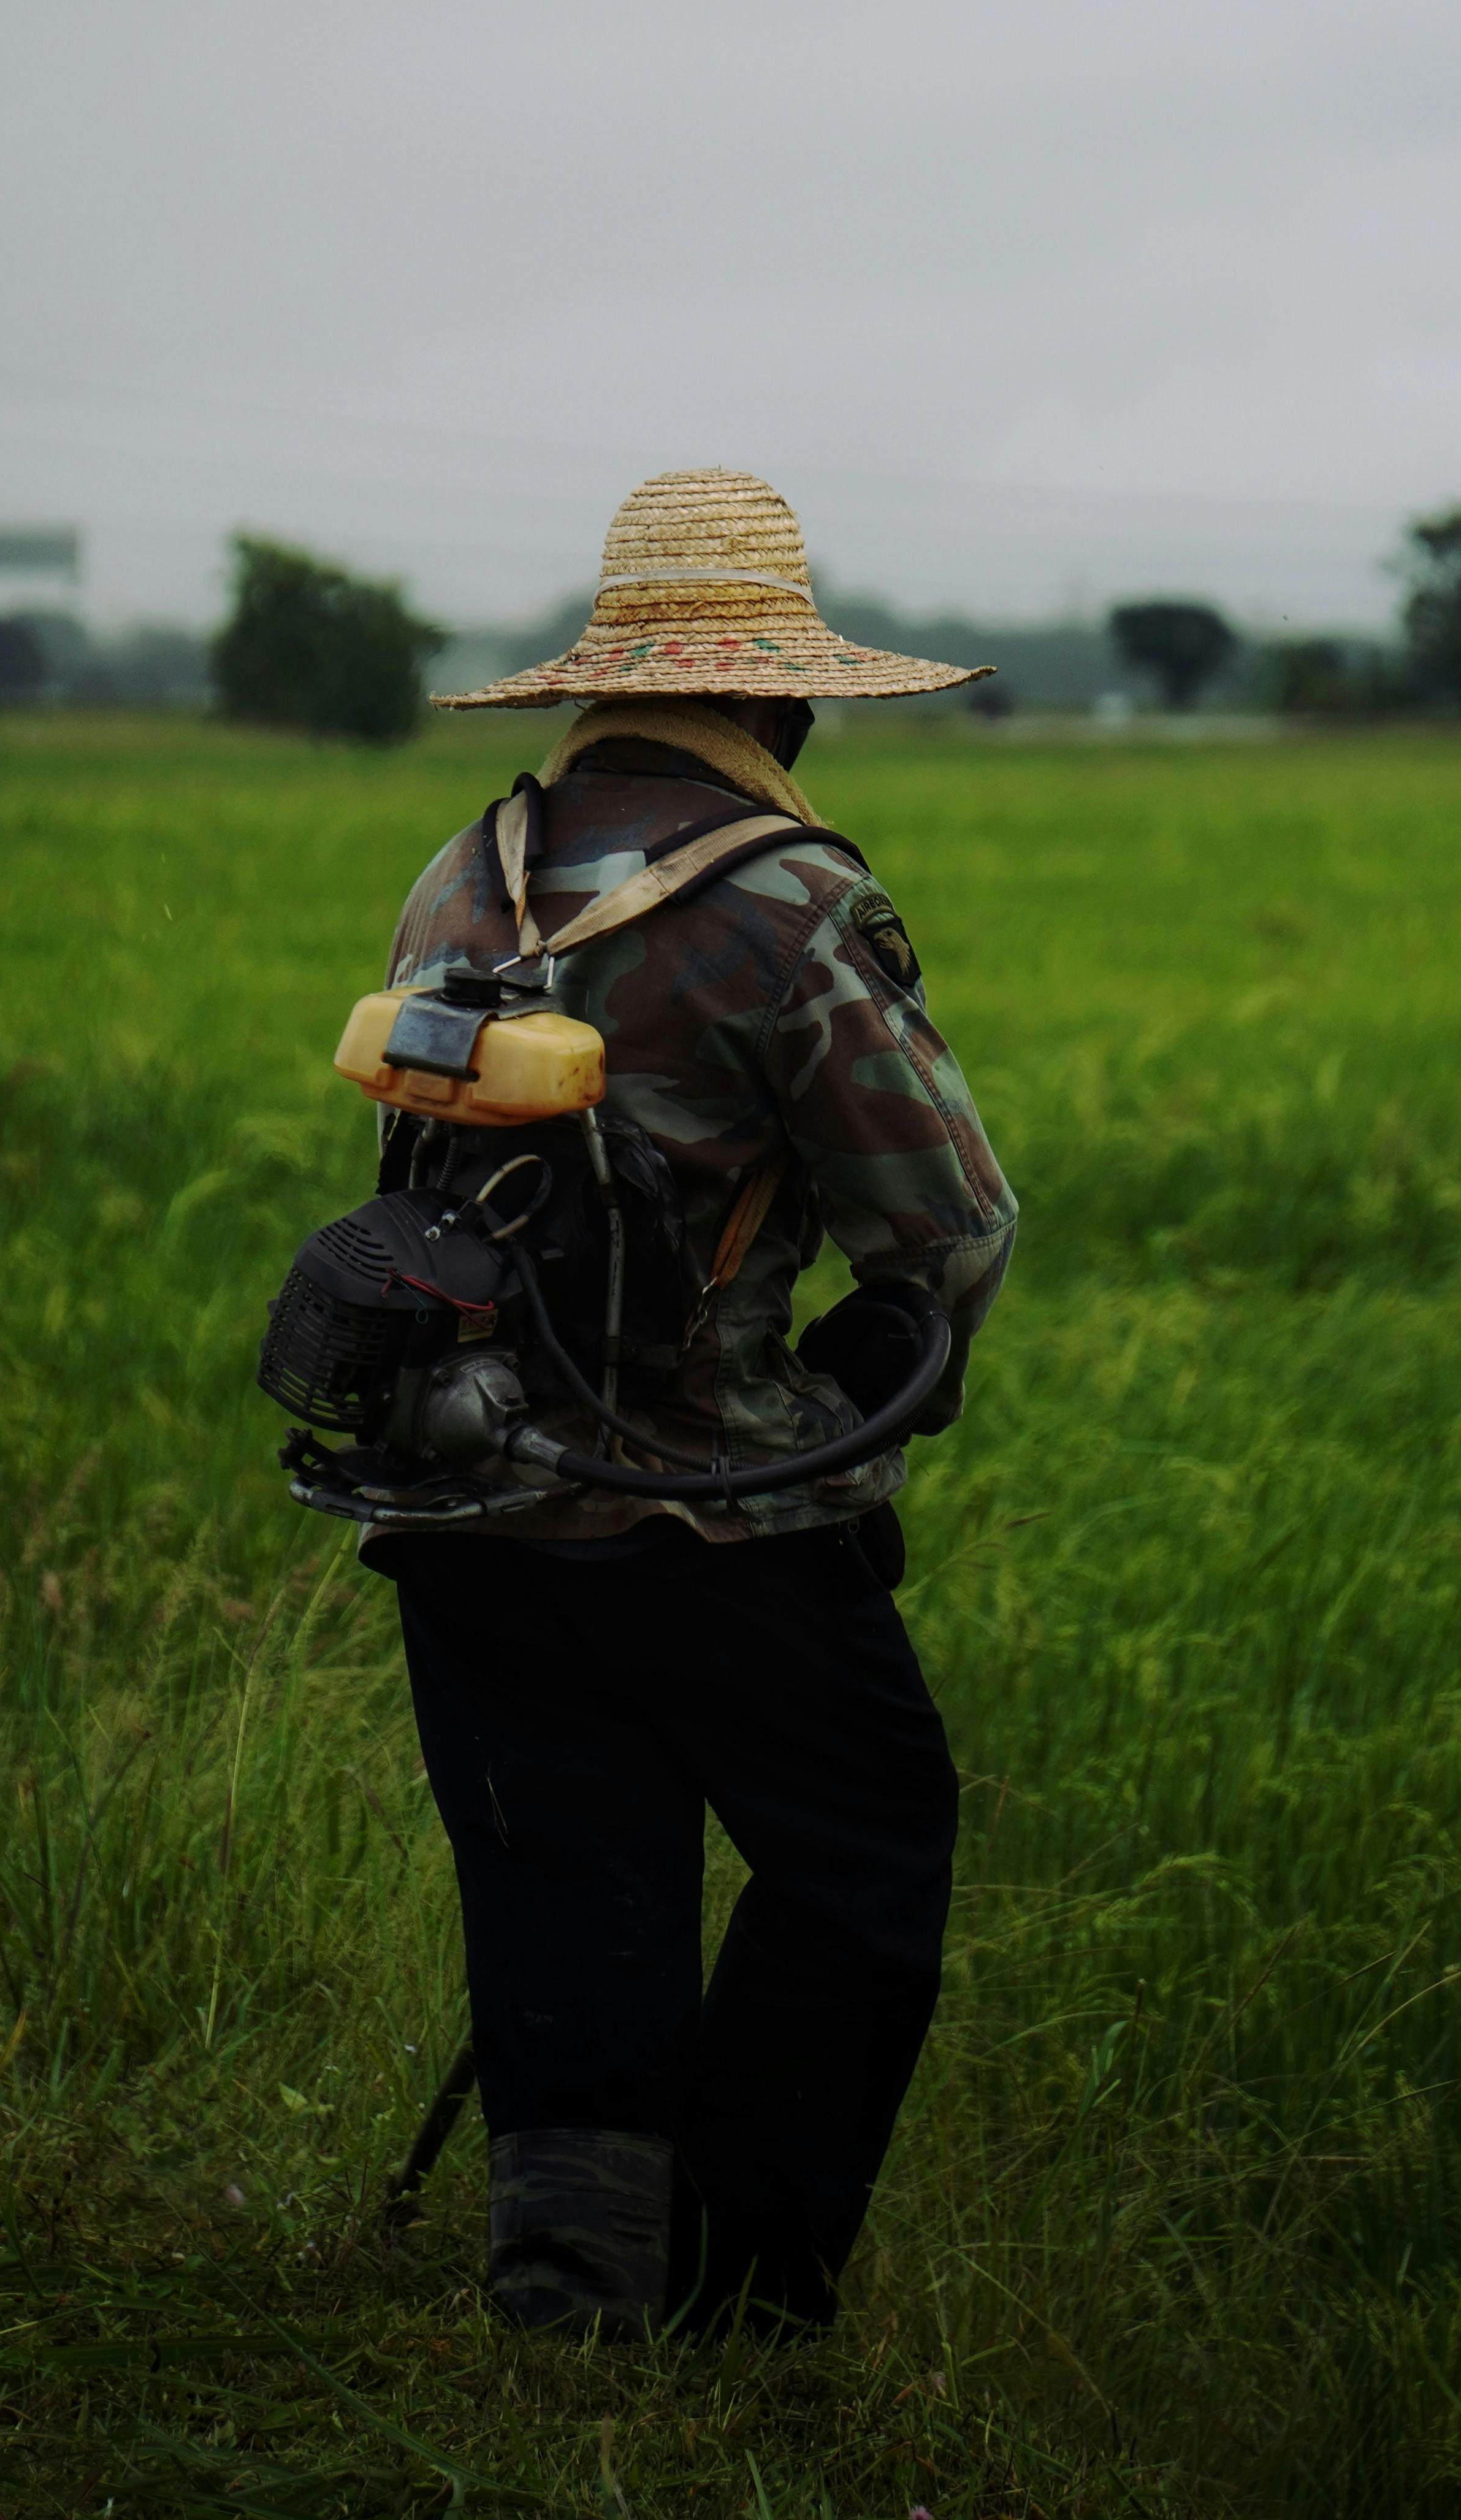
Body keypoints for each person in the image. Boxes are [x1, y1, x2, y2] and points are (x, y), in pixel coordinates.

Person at [362, 467, 1018, 2341]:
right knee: (866, 1858)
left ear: (606, 691)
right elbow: (949, 1229)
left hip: (467, 1486)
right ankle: (740, 2306)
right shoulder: (790, 899)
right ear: (784, 702)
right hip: (718, 1517)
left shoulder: (454, 875)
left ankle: (569, 2301)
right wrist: (856, 1404)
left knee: (572, 1887)